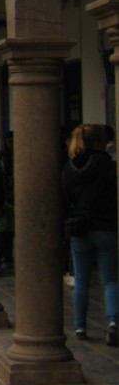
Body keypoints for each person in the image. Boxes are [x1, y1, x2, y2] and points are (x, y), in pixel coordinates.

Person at [62, 124, 118, 345]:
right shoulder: (110, 167)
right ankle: (113, 323)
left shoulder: (69, 169)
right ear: (97, 143)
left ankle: (79, 326)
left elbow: (65, 199)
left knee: (82, 279)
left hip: (80, 229)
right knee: (111, 279)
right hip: (106, 227)